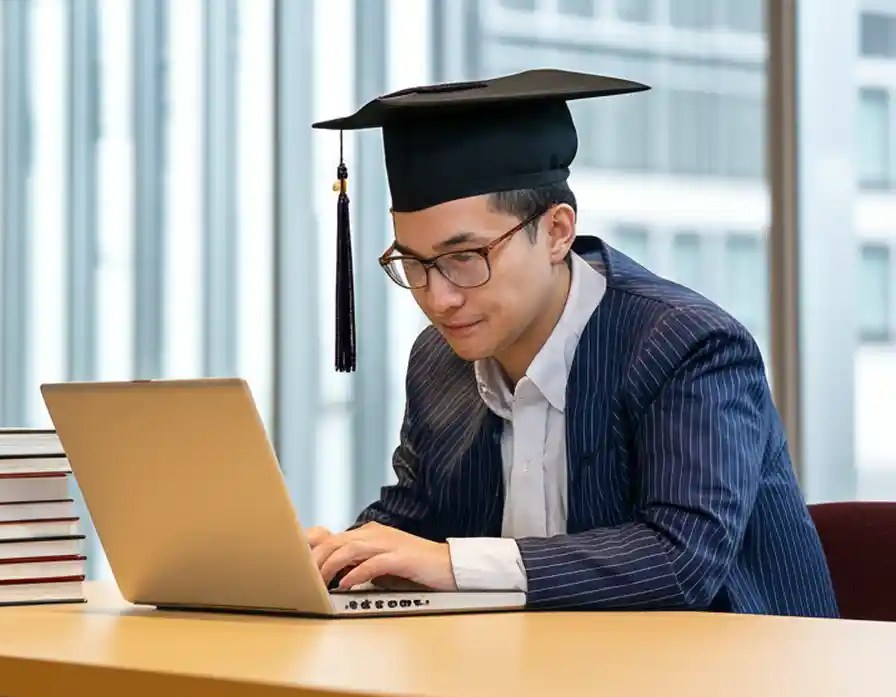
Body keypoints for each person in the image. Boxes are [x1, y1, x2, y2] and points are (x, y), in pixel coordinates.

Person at [304, 68, 838, 617]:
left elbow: (681, 560)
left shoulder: (685, 345)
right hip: (527, 679)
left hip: (733, 682)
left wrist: (452, 564)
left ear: (557, 232)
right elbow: (417, 517)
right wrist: (327, 558)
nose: (438, 299)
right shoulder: (439, 359)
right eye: (414, 264)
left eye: (465, 259)